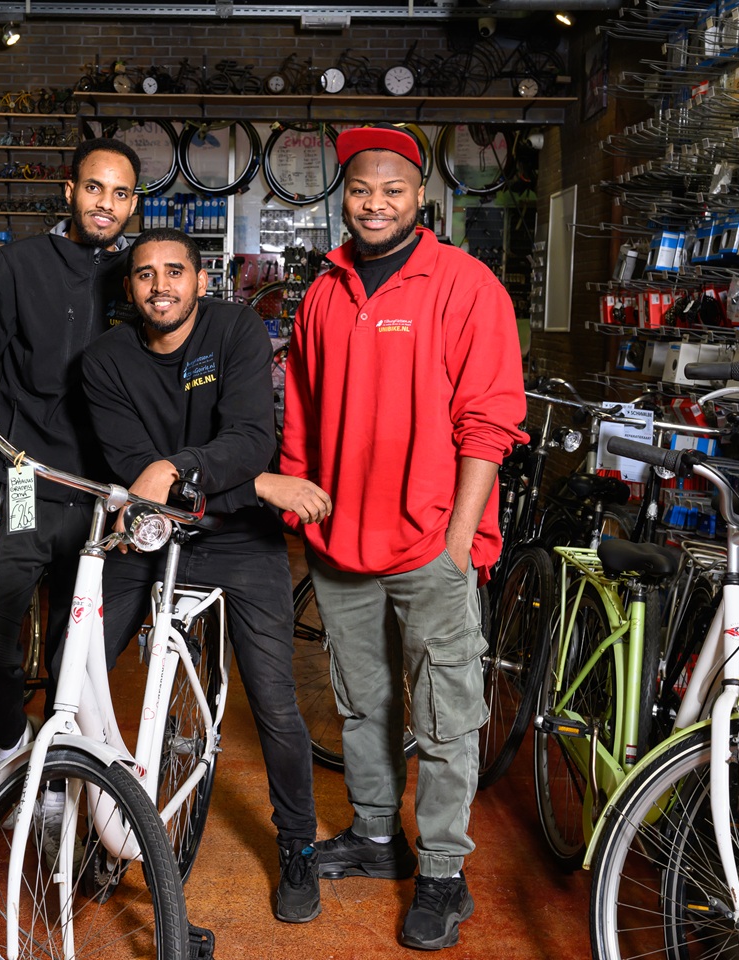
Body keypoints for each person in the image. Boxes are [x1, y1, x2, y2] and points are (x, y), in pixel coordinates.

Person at [279, 125, 528, 951]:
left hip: (432, 545)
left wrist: (458, 541)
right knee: (363, 702)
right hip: (343, 544)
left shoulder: (464, 284)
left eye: (392, 188)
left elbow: (490, 422)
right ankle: (378, 838)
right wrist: (308, 513)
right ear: (341, 196)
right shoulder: (324, 293)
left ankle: (444, 875)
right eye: (360, 189)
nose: (375, 202)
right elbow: (304, 413)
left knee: (448, 714)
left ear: (422, 196)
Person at [80, 227, 332, 924]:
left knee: (277, 705)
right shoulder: (105, 361)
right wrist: (254, 484)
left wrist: (179, 469)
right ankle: (89, 819)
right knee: (83, 674)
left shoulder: (235, 331)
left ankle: (299, 847)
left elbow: (250, 436)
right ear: (128, 288)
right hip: (155, 533)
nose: (160, 286)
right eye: (144, 275)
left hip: (239, 540)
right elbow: (137, 469)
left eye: (174, 272)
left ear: (200, 279)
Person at [0, 137, 141, 763]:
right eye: (95, 188)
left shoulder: (140, 278)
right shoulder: (18, 266)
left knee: (75, 659)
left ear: (133, 204)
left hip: (102, 500)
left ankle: (51, 774)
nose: (106, 204)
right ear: (69, 191)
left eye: (121, 193)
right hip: (22, 485)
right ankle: (10, 746)